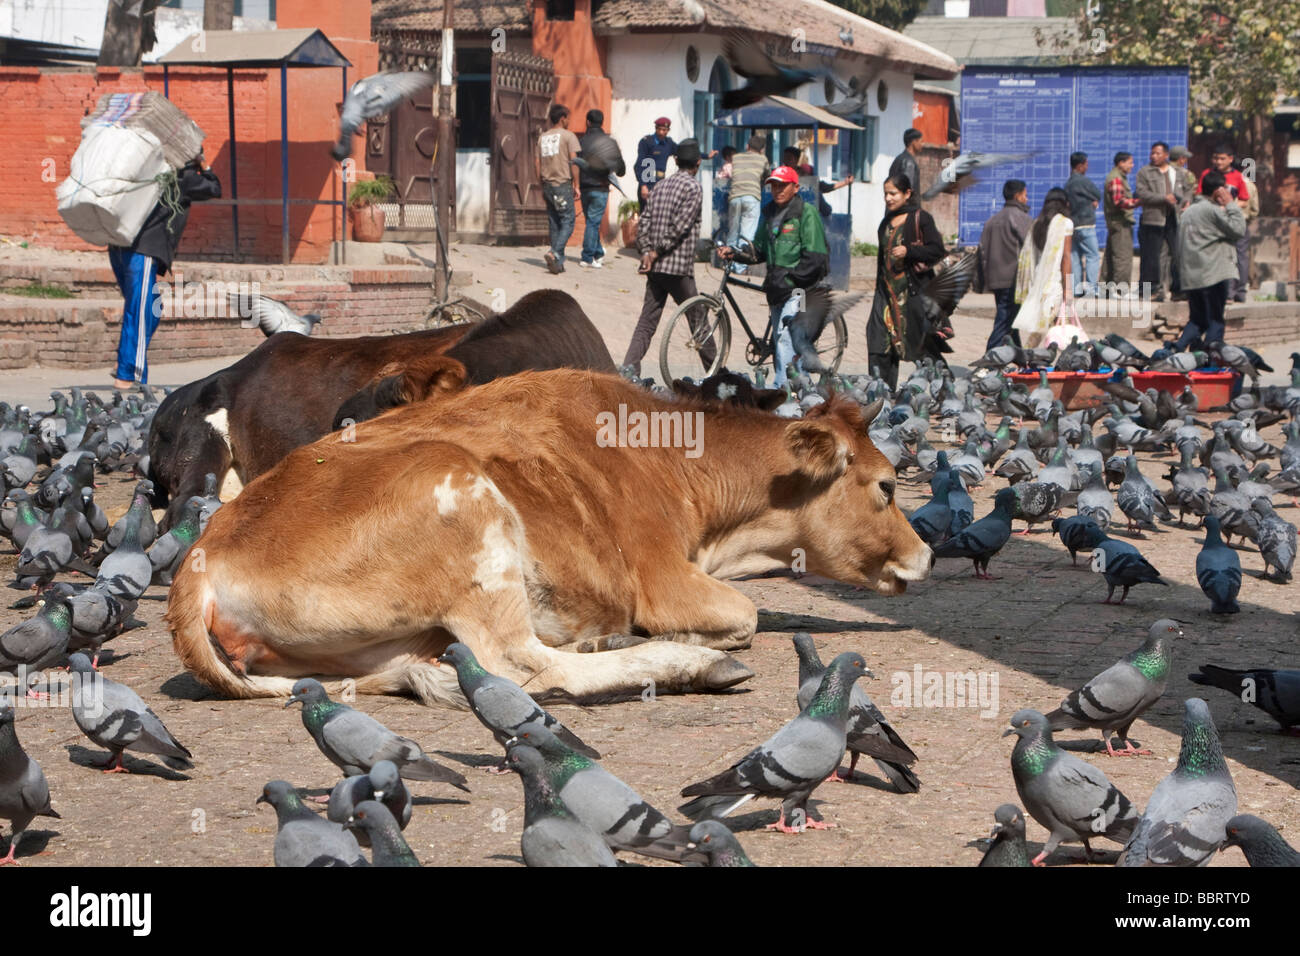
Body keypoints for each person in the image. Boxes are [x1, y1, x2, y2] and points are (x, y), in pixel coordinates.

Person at [109, 149, 220, 387]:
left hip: (119, 249)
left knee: (150, 309)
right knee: (139, 312)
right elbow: (214, 187)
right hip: (143, 252)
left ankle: (124, 361)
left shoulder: (139, 172)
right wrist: (204, 164)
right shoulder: (183, 178)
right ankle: (128, 375)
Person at [722, 165, 829, 387]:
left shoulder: (806, 214)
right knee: (784, 340)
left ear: (796, 187)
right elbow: (758, 250)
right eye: (774, 186)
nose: (778, 190)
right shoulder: (769, 212)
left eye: (783, 185)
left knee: (784, 339)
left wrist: (792, 280)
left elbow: (816, 257)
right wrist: (735, 253)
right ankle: (801, 386)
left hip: (800, 288)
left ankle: (782, 390)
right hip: (775, 287)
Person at [622, 139, 714, 376]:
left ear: (675, 160)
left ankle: (629, 368)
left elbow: (644, 223)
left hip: (655, 268)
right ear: (698, 163)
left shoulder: (660, 186)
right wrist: (654, 252)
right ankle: (717, 372)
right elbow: (679, 228)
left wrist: (646, 253)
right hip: (677, 268)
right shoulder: (693, 188)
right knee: (698, 321)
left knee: (647, 321)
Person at [864, 172, 945, 389]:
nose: (889, 198)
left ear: (907, 193)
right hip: (886, 293)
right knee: (878, 340)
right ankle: (882, 392)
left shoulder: (920, 218)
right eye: (886, 194)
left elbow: (937, 250)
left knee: (921, 346)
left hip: (913, 294)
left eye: (893, 193)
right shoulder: (886, 222)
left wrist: (910, 251)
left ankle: (945, 389)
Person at [1172, 170, 1245, 350]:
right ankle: (1212, 357)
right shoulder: (1211, 211)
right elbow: (1238, 229)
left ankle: (1177, 349)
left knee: (1198, 320)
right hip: (1213, 274)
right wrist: (1230, 204)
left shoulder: (1188, 212)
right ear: (1219, 190)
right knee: (1215, 321)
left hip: (1192, 275)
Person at [1012, 187, 1073, 346]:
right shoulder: (1065, 223)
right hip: (1054, 284)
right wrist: (1068, 288)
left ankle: (1029, 358)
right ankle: (1034, 359)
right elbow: (1066, 257)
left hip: (1038, 282)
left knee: (1042, 329)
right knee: (1061, 327)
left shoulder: (1038, 224)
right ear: (1065, 204)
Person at [975, 179, 1032, 351]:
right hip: (1013, 278)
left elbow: (981, 252)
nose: (1027, 199)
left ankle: (1020, 359)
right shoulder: (1020, 218)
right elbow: (1031, 247)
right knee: (1004, 320)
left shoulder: (992, 221)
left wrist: (980, 281)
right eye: (1025, 195)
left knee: (1010, 321)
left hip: (995, 278)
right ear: (1017, 196)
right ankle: (989, 358)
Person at [1197, 143, 1252, 302]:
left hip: (1234, 221)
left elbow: (1244, 200)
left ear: (1230, 159)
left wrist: (1228, 206)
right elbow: (1200, 196)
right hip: (1213, 223)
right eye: (1216, 158)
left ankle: (1240, 291)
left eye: (1222, 159)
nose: (1218, 162)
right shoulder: (1207, 175)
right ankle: (1222, 292)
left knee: (1240, 256)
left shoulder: (1238, 177)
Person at [576, 108, 624, 269]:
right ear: (602, 122)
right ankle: (587, 257)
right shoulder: (610, 142)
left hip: (584, 186)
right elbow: (620, 168)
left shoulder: (581, 142)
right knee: (593, 221)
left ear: (588, 122)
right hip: (601, 187)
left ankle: (598, 252)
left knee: (592, 220)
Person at [536, 104, 581, 274]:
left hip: (547, 184)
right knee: (568, 221)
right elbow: (574, 162)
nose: (569, 121)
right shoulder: (568, 136)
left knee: (554, 222)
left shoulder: (543, 137)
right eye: (568, 117)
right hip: (562, 184)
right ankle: (554, 252)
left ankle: (557, 263)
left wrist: (540, 184)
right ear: (563, 118)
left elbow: (537, 163)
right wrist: (577, 184)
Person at [1136, 141, 1180, 301]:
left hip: (1173, 217)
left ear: (1166, 155)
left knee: (1177, 254)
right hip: (1153, 218)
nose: (1154, 156)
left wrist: (1185, 201)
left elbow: (1186, 190)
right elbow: (1142, 194)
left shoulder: (1176, 172)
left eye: (1157, 153)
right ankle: (1148, 290)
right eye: (1152, 153)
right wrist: (1163, 198)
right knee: (1151, 256)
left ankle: (1178, 289)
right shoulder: (1145, 173)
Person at [726, 134, 770, 274]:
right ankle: (739, 268)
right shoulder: (763, 159)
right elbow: (767, 175)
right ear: (762, 150)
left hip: (734, 197)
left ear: (747, 146)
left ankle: (728, 264)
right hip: (752, 196)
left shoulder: (736, 157)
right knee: (747, 233)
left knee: (733, 231)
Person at [1064, 151, 1101, 297]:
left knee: (1075, 257)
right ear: (1080, 166)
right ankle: (1091, 289)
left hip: (1073, 224)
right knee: (1092, 256)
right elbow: (1097, 194)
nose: (1087, 167)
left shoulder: (1068, 183)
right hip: (1086, 223)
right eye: (1086, 164)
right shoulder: (1083, 181)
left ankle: (1076, 289)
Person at [1101, 151, 1140, 288]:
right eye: (1130, 162)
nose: (1132, 165)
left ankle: (1105, 288)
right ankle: (1120, 289)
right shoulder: (1116, 179)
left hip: (1115, 222)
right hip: (1120, 223)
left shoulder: (1117, 177)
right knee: (1123, 257)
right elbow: (1119, 202)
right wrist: (1138, 202)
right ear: (1121, 163)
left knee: (1110, 257)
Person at [781, 145, 853, 217]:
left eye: (789, 158)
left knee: (818, 196)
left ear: (796, 160)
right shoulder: (780, 174)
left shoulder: (805, 175)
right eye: (784, 158)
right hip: (786, 208)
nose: (785, 161)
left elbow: (822, 186)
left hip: (803, 207)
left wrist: (845, 183)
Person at [635, 117, 676, 213]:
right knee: (646, 215)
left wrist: (706, 156)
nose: (661, 132)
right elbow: (639, 165)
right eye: (659, 129)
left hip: (661, 184)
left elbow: (684, 151)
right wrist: (643, 185)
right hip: (648, 182)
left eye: (664, 130)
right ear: (656, 128)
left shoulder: (668, 143)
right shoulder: (646, 142)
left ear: (668, 130)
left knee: (659, 215)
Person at [889, 128, 924, 201]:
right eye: (921, 141)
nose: (922, 144)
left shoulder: (899, 159)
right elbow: (907, 190)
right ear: (914, 142)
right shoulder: (908, 162)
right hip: (906, 209)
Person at [1170, 145, 1197, 212]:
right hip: (1180, 209)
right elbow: (1193, 191)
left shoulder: (1161, 170)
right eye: (1185, 159)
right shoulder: (1187, 174)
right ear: (1181, 159)